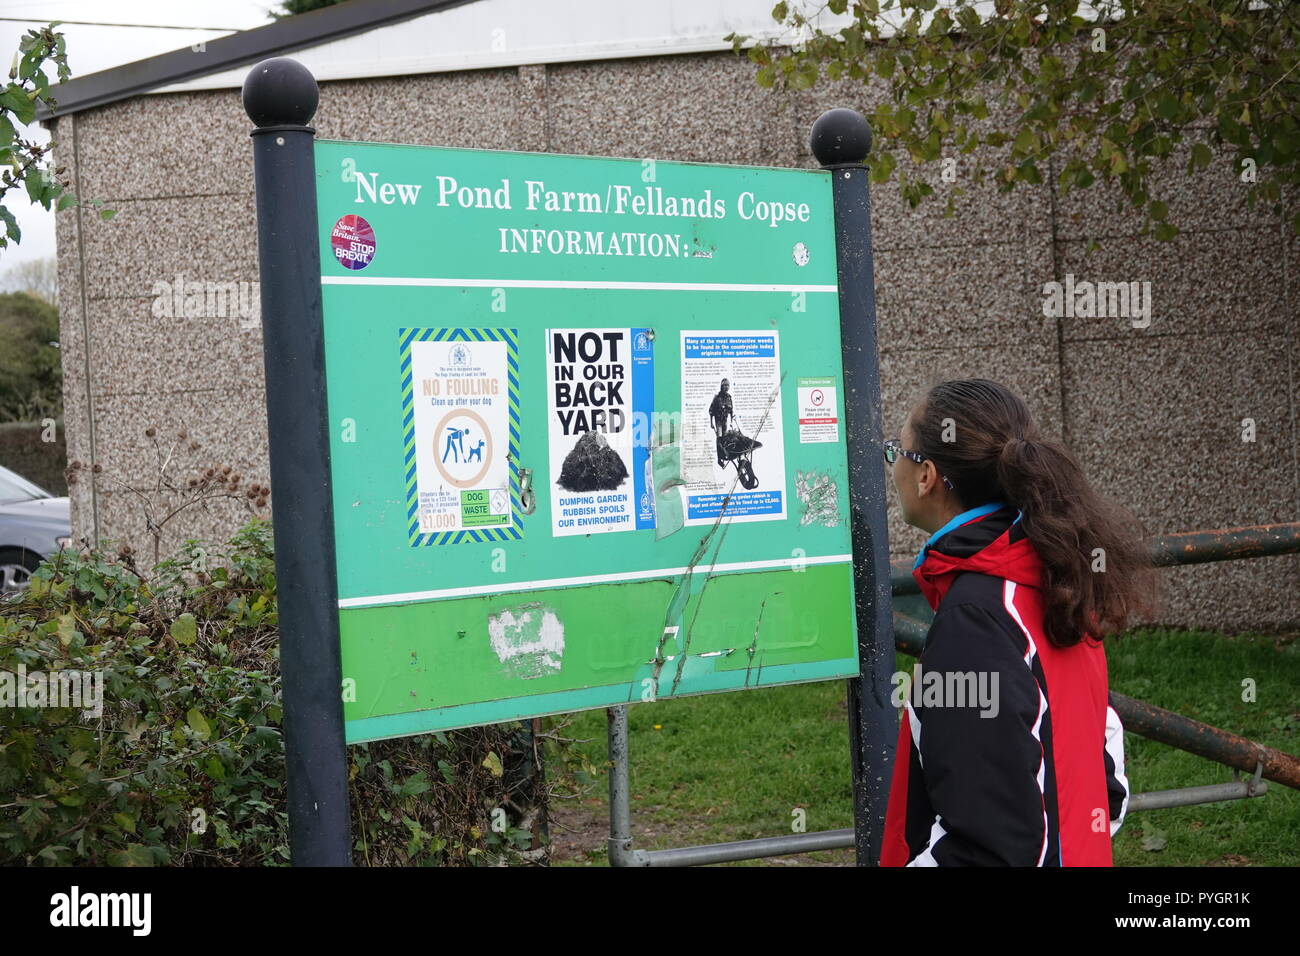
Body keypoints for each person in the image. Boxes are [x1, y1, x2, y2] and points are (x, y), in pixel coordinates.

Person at [879, 379, 1158, 867]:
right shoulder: (1056, 578)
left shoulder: (975, 622)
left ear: (925, 475)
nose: (892, 467)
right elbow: (1106, 784)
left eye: (894, 452)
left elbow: (989, 846)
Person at [709, 379, 734, 467]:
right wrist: (711, 423)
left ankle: (724, 455)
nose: (726, 387)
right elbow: (711, 410)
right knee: (719, 438)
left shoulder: (729, 397)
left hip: (725, 421)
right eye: (725, 385)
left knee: (725, 438)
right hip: (718, 421)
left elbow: (731, 411)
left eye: (728, 385)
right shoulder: (717, 397)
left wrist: (731, 421)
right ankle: (719, 458)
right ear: (721, 386)